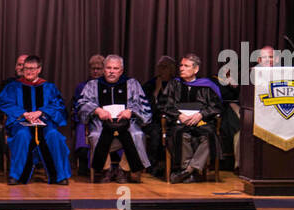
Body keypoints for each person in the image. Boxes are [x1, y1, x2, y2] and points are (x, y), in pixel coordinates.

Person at [75, 54, 151, 183]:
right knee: (96, 135)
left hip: (128, 123)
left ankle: (123, 169)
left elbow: (145, 106)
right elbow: (81, 104)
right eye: (108, 68)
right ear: (104, 70)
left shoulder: (132, 84)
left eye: (115, 68)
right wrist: (96, 110)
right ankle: (106, 170)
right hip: (101, 123)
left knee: (137, 134)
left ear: (121, 71)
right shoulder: (92, 85)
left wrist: (131, 111)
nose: (111, 71)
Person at [0, 55, 71, 185]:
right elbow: (4, 103)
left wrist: (40, 112)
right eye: (26, 68)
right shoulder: (13, 87)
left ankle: (59, 175)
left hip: (45, 123)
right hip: (21, 122)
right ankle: (16, 175)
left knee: (54, 135)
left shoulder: (49, 87)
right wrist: (23, 113)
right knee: (22, 135)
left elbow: (58, 105)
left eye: (32, 68)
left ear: (39, 69)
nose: (29, 71)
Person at [160, 53, 224, 184]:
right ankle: (189, 172)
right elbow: (163, 104)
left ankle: (187, 171)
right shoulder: (174, 84)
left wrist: (201, 114)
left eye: (186, 66)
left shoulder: (207, 85)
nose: (181, 68)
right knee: (181, 133)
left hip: (201, 122)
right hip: (180, 122)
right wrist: (179, 115)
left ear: (196, 69)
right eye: (181, 65)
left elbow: (216, 106)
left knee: (210, 135)